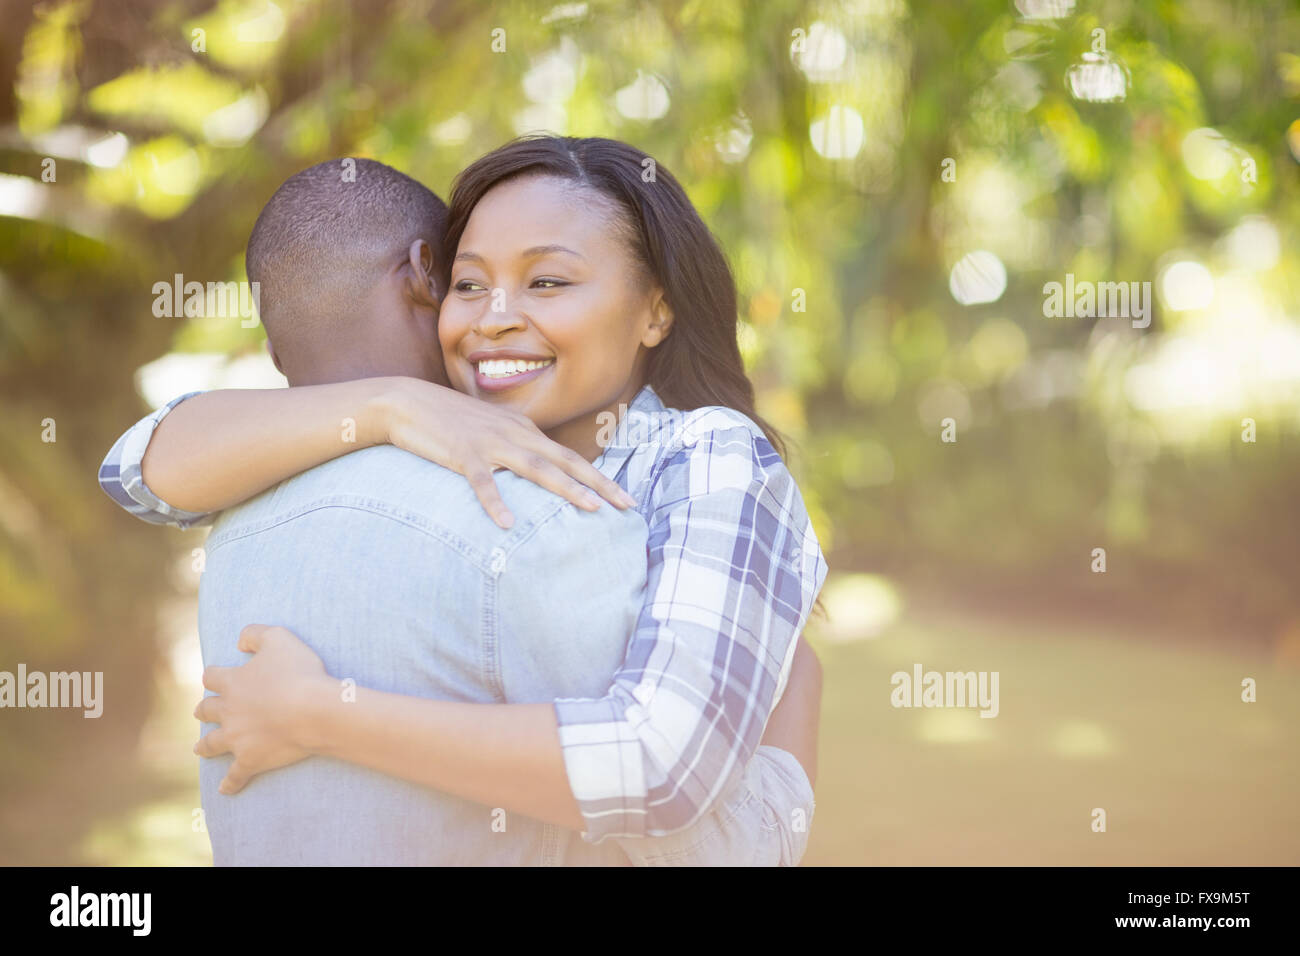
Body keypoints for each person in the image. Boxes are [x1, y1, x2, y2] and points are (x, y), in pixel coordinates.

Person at [101, 141, 826, 865]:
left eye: (546, 282)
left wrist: (323, 714)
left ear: (655, 311)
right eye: (470, 285)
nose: (496, 318)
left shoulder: (703, 454)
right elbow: (136, 469)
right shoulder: (433, 442)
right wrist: (393, 404)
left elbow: (661, 767)